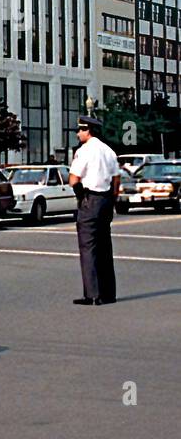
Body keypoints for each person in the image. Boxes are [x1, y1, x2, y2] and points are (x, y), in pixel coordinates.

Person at [68, 116, 120, 305]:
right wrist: (112, 199)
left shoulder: (84, 151)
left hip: (90, 199)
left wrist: (80, 196)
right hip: (106, 200)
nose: (78, 134)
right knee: (105, 246)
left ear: (87, 130)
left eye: (80, 130)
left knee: (88, 247)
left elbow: (74, 177)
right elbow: (116, 180)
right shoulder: (109, 151)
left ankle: (92, 294)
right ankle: (108, 293)